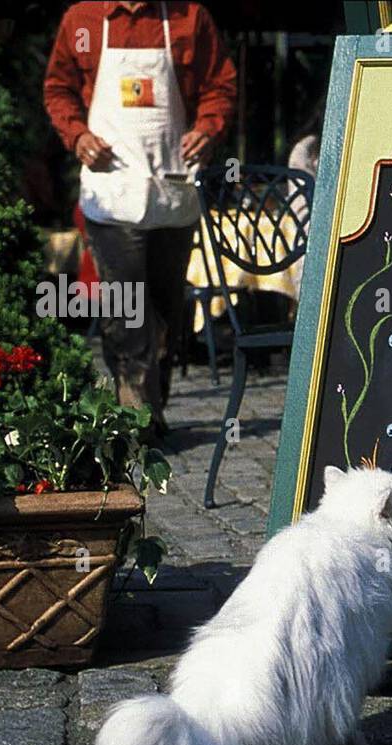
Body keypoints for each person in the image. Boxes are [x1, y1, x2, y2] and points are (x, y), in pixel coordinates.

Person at [44, 1, 236, 433]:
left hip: (171, 188)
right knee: (127, 302)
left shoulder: (190, 17)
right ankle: (132, 415)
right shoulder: (83, 20)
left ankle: (153, 410)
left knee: (166, 306)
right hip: (111, 190)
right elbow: (59, 88)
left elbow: (219, 84)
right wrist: (77, 136)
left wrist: (208, 128)